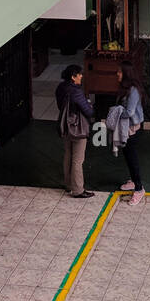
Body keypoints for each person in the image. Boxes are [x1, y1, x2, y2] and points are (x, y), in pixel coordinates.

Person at [55, 64, 95, 199]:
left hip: (65, 125)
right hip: (77, 128)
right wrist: (89, 104)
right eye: (79, 74)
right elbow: (88, 111)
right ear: (73, 77)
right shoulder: (76, 91)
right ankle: (78, 189)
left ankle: (68, 184)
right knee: (78, 159)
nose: (81, 76)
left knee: (68, 154)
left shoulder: (60, 88)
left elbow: (60, 106)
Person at [113, 66, 146, 207]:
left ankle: (139, 189)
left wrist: (116, 113)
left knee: (132, 159)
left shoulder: (133, 90)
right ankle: (133, 181)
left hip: (132, 129)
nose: (117, 73)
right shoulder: (126, 88)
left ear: (126, 74)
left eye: (119, 71)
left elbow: (130, 111)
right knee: (127, 156)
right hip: (127, 128)